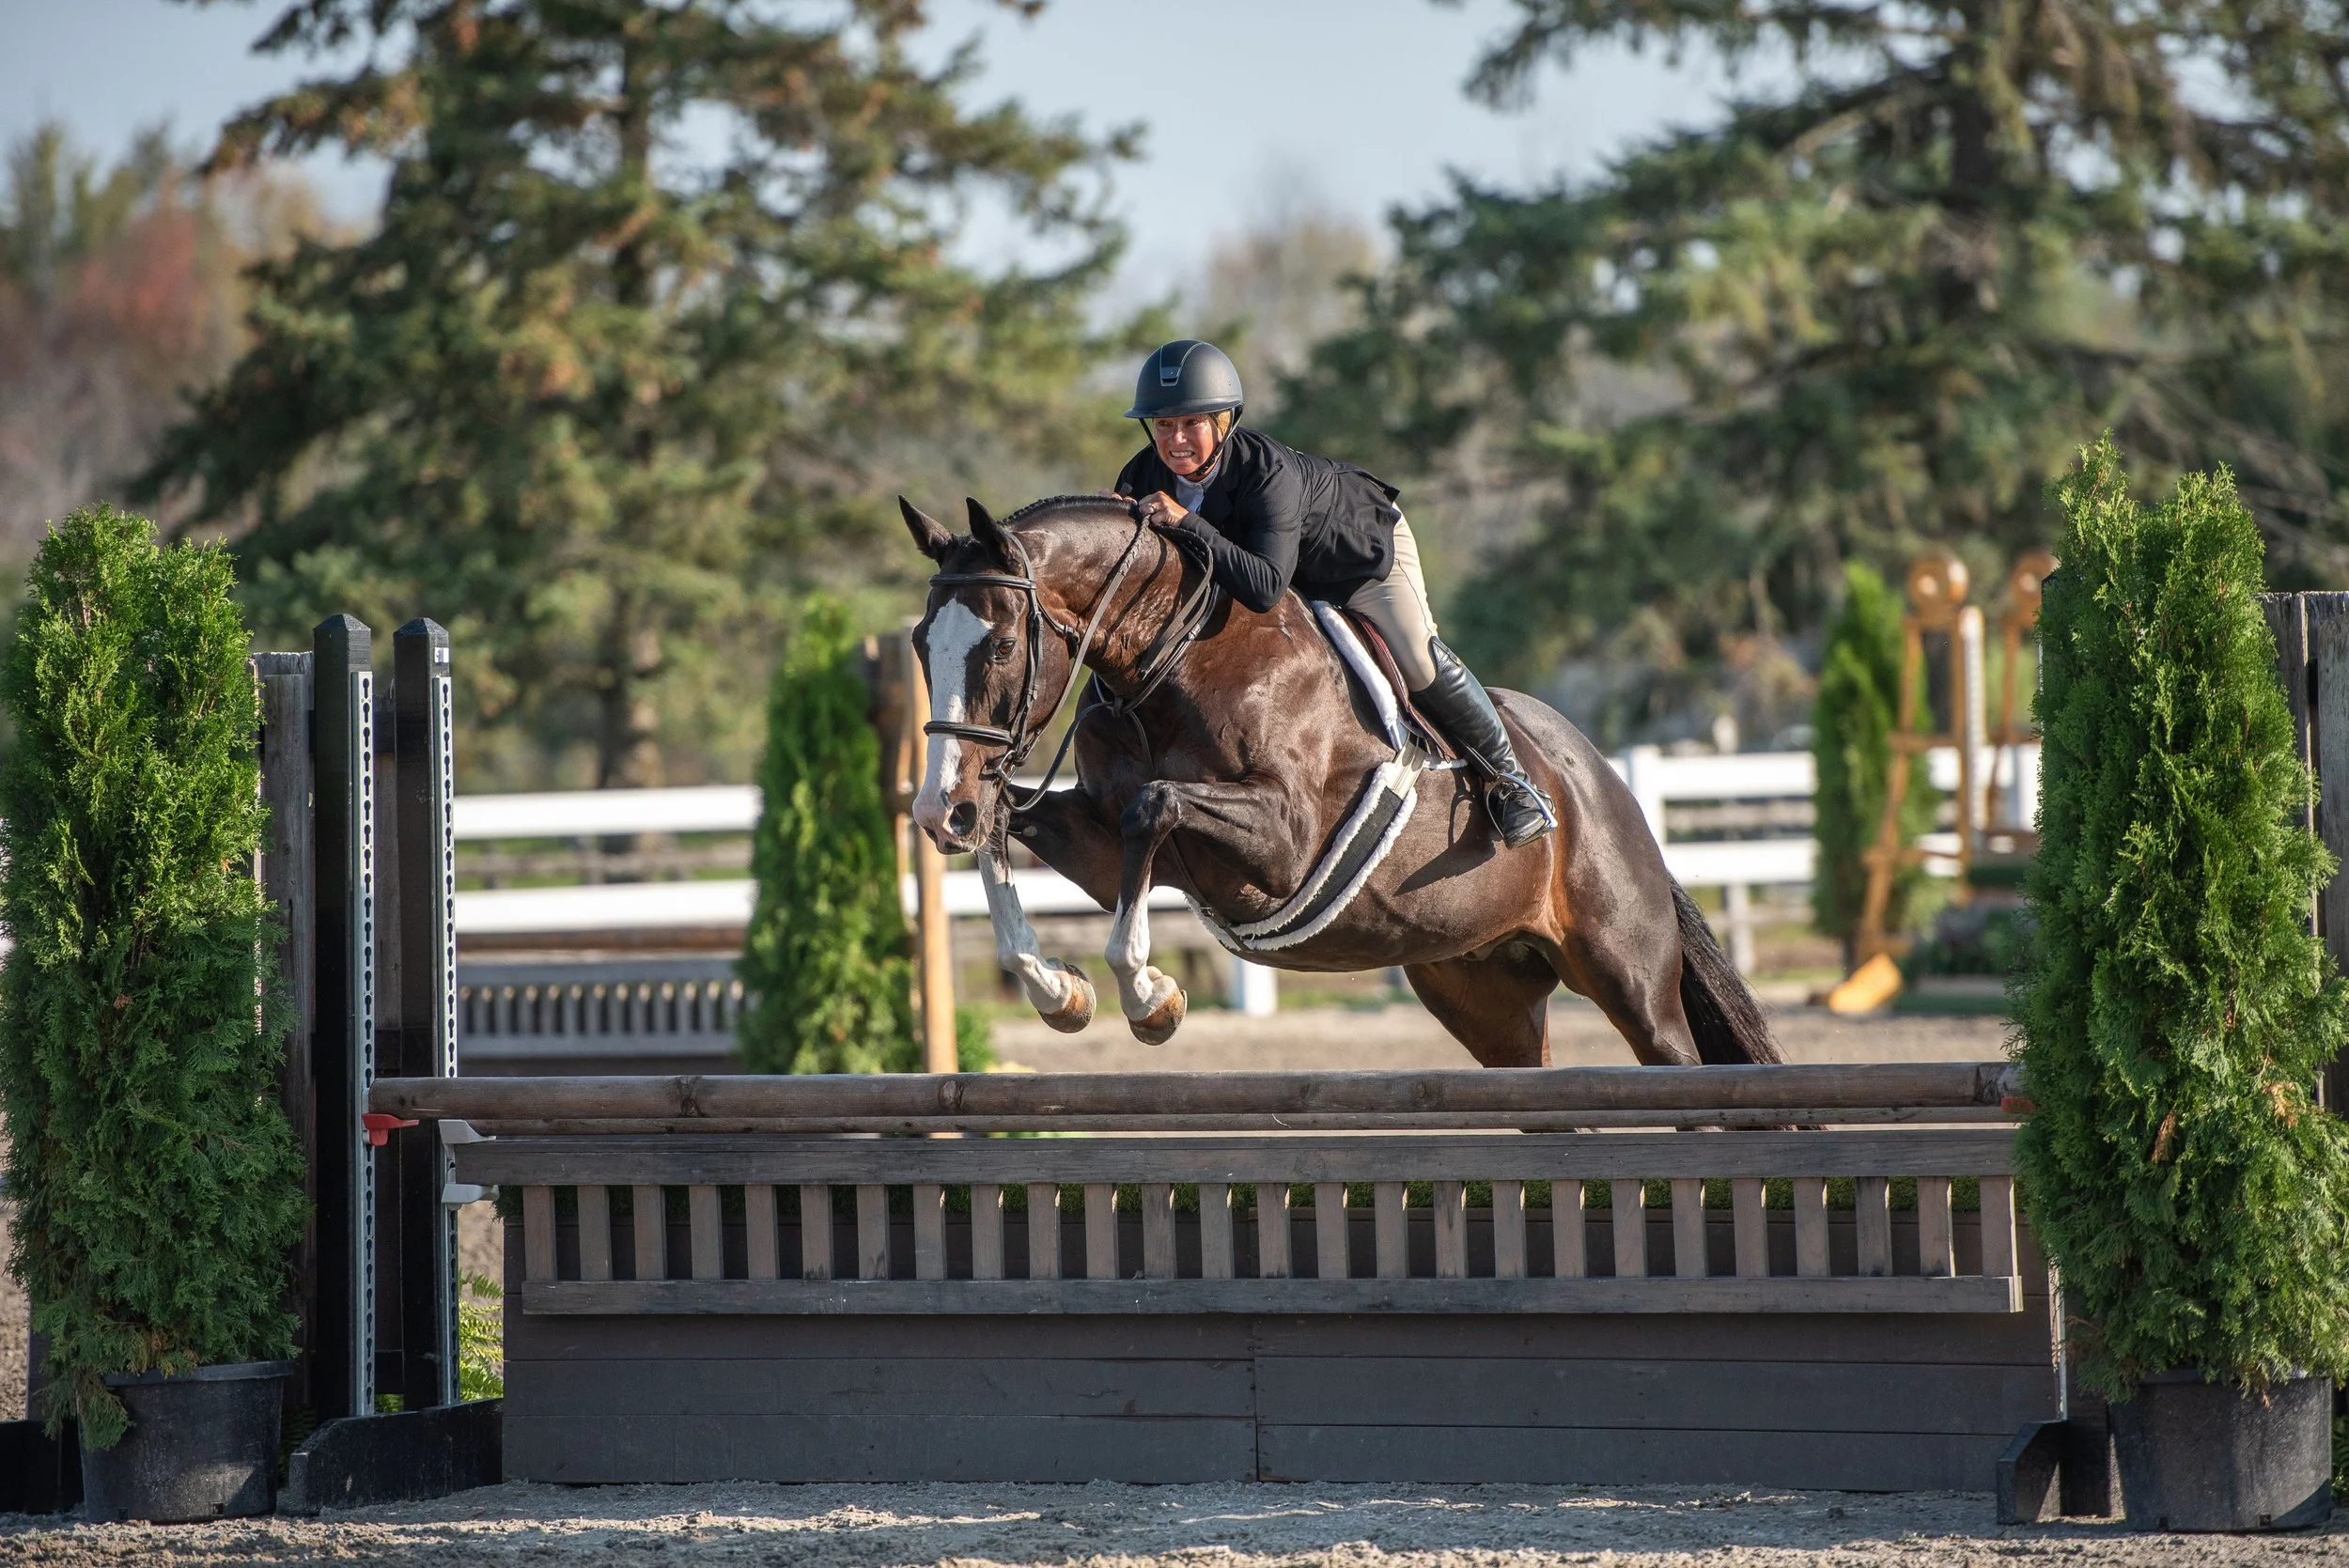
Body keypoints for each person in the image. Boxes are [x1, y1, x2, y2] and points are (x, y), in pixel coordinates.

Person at [1113, 338, 1556, 849]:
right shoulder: (1141, 475)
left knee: (1415, 658)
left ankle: (1511, 781)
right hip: (1285, 575)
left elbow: (1261, 589)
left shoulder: (1266, 474)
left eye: (1191, 423)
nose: (1176, 440)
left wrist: (1187, 521)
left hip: (1358, 560)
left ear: (1225, 421)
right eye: (1164, 425)